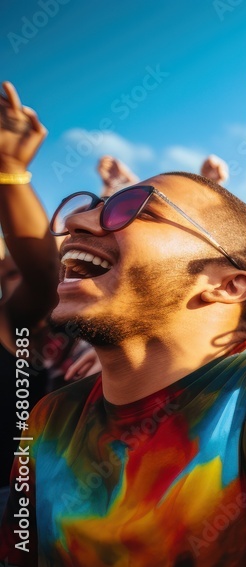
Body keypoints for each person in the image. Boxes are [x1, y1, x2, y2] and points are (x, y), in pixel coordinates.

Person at [0, 170, 246, 565]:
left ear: (227, 285)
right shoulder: (49, 418)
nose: (75, 222)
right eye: (89, 208)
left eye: (134, 208)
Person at [0, 82, 60, 513]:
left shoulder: (83, 342)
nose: (16, 277)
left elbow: (44, 274)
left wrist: (8, 167)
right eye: (5, 272)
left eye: (20, 266)